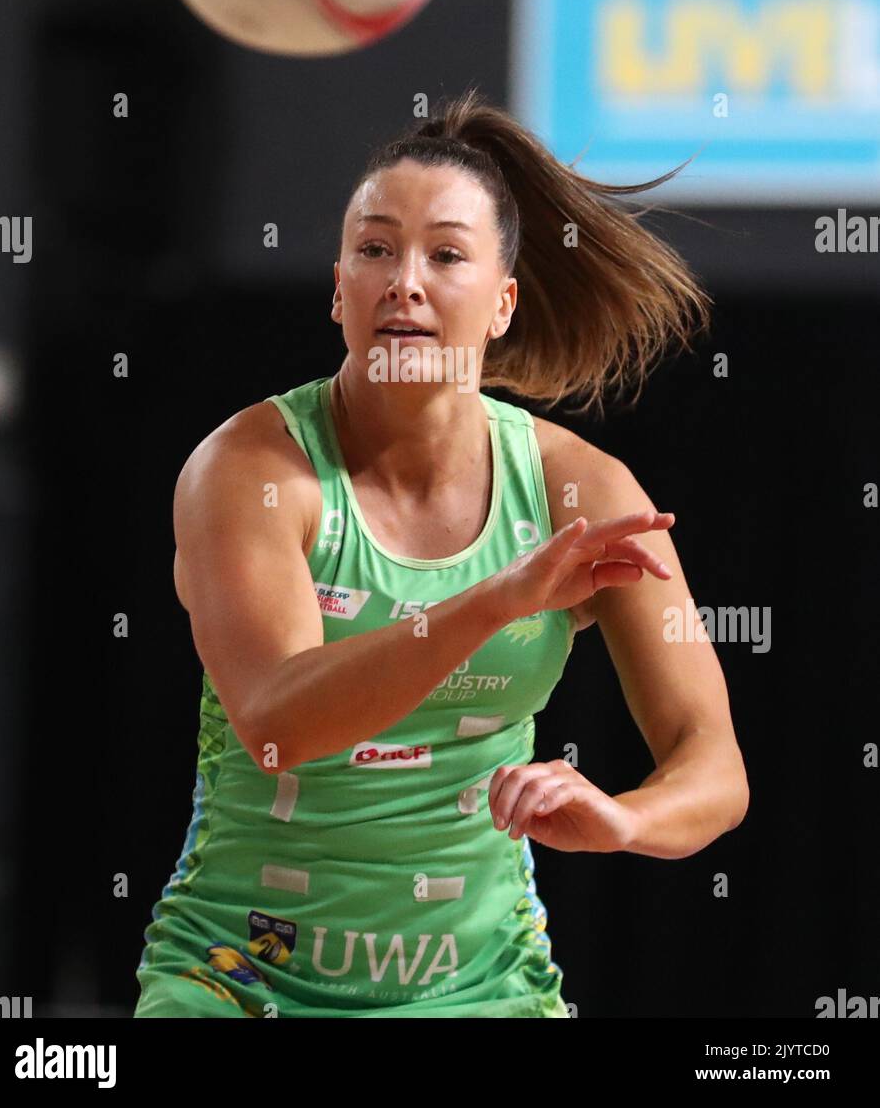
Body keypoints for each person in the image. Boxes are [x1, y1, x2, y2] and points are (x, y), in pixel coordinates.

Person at [133, 88, 749, 1018]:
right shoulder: (250, 472)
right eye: (374, 249)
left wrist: (629, 820)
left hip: (478, 986)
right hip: (240, 978)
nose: (404, 281)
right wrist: (493, 601)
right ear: (337, 286)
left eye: (445, 255)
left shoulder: (578, 490)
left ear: (501, 303)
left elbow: (712, 764)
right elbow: (278, 727)